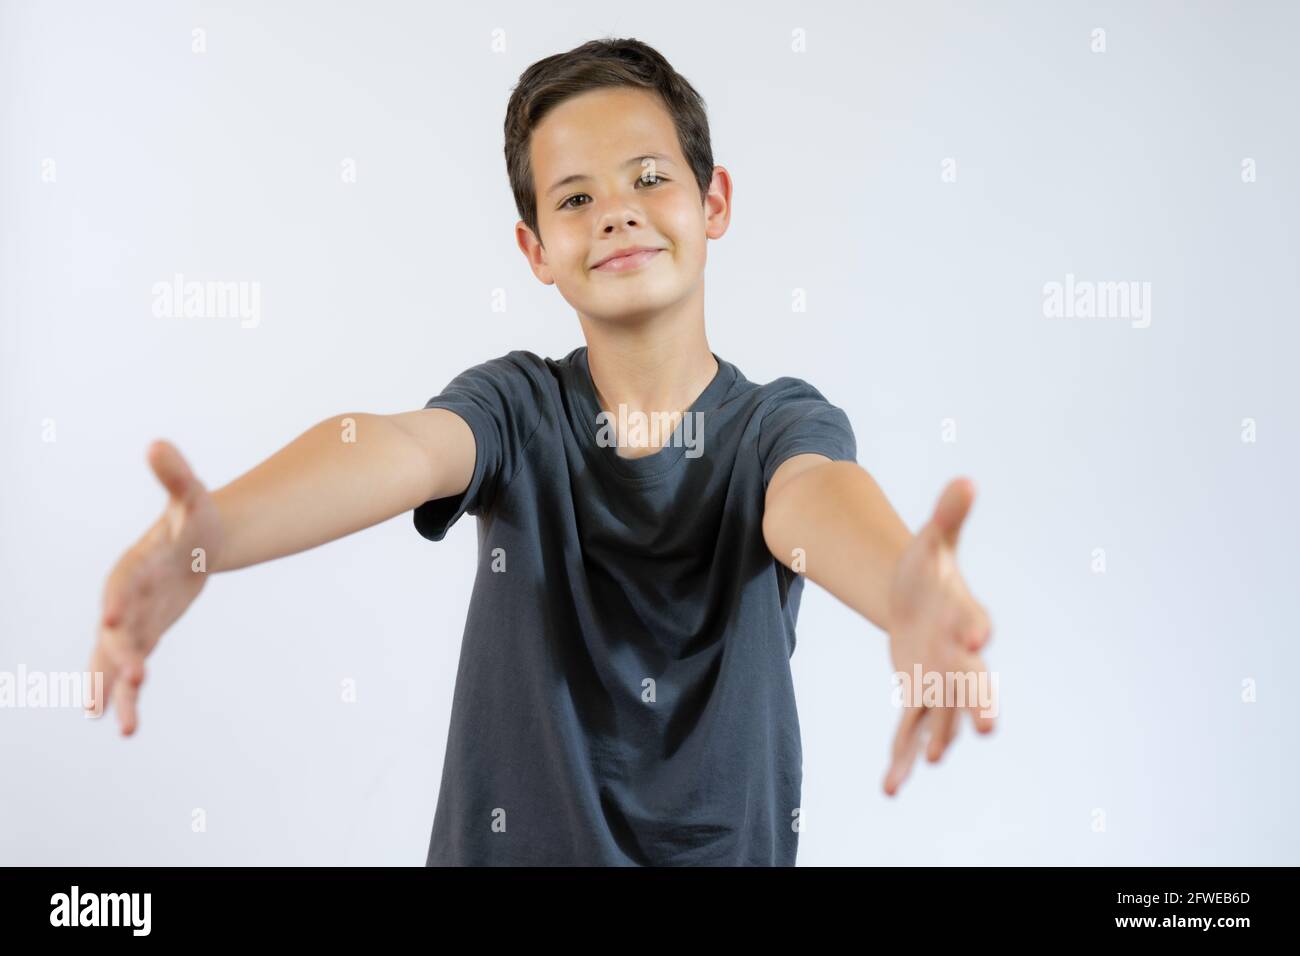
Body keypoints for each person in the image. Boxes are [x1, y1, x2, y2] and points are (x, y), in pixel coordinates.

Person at [88, 37, 995, 866]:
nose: (616, 215)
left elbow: (814, 500)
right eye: (576, 199)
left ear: (713, 202)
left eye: (649, 177)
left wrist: (897, 585)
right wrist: (220, 530)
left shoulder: (776, 427)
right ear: (536, 250)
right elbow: (397, 447)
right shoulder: (518, 406)